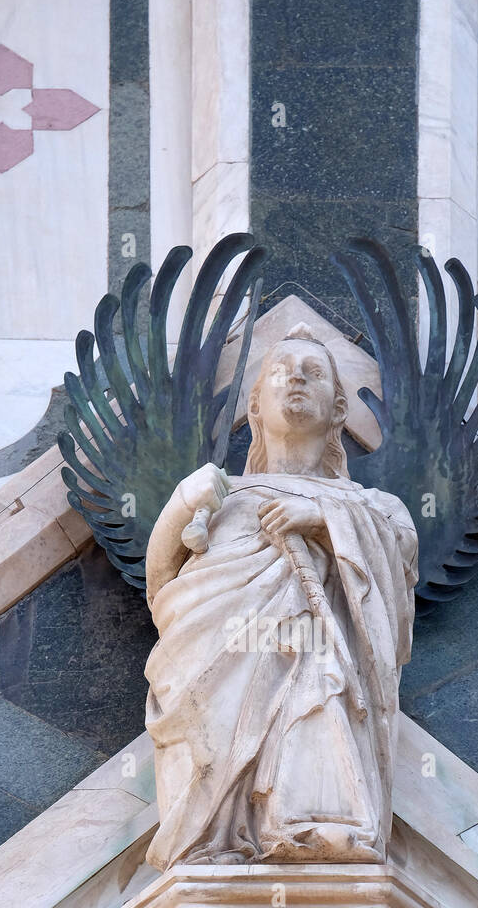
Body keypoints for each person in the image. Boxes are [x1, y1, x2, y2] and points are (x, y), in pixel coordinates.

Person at [144, 323, 418, 868]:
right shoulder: (220, 496)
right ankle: (215, 833)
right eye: (280, 369)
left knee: (317, 693)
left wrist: (326, 519)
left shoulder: (375, 508)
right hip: (225, 662)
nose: (295, 377)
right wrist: (179, 505)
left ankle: (315, 821)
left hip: (321, 659)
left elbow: (397, 573)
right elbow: (162, 588)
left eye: (313, 373)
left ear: (340, 409)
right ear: (254, 403)